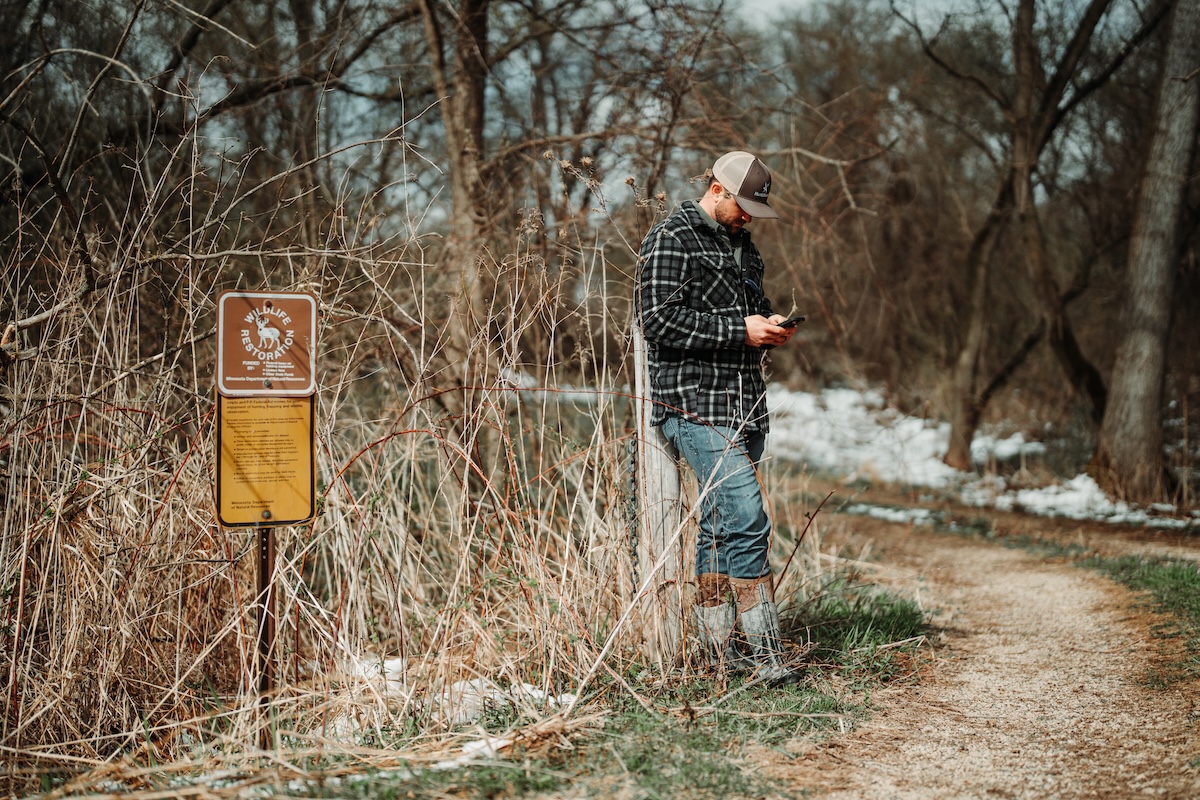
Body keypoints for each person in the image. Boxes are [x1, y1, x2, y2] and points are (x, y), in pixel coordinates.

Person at [635, 150, 800, 685]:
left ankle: (716, 655)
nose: (750, 217)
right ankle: (767, 657)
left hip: (743, 405)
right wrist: (739, 330)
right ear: (717, 190)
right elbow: (657, 319)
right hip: (692, 403)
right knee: (749, 518)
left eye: (757, 209)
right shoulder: (672, 237)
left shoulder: (745, 248)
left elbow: (745, 309)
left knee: (718, 528)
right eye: (744, 206)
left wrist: (769, 322)